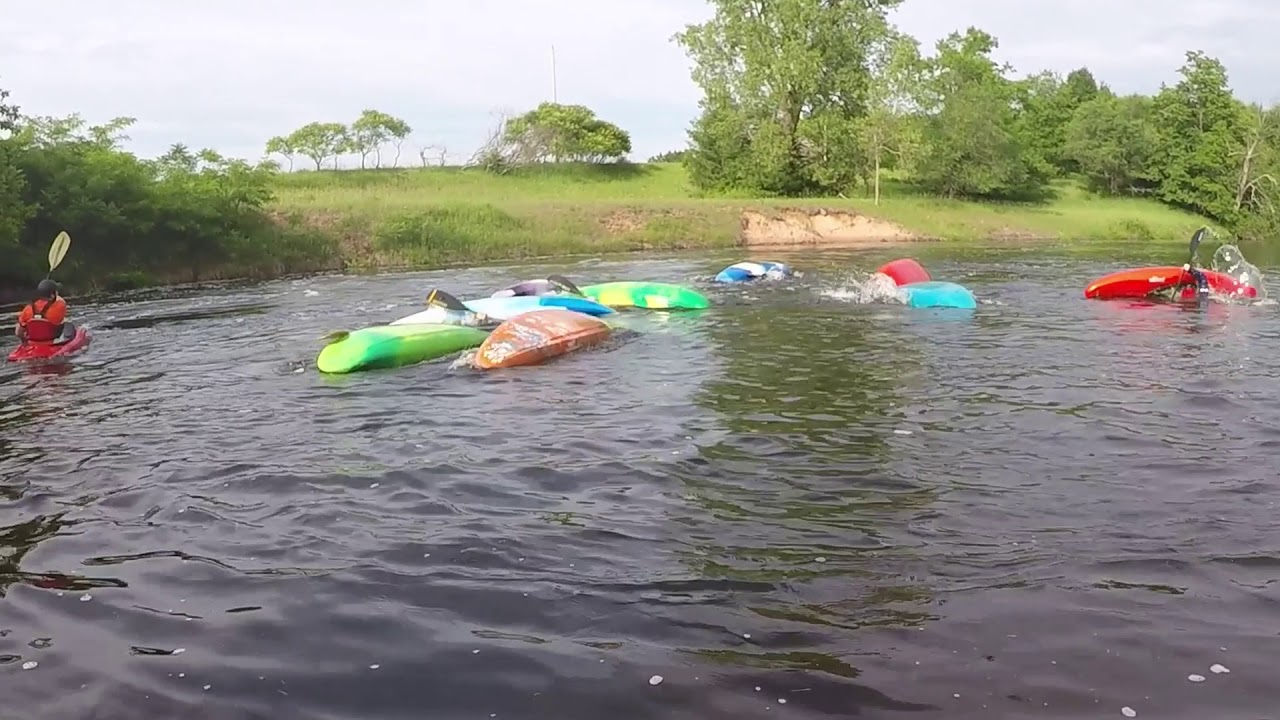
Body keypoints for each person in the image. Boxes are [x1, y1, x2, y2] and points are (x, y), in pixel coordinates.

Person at [15, 279, 68, 344]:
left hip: (33, 342)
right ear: (52, 295)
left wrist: (24, 341)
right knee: (68, 324)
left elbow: (18, 332)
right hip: (52, 341)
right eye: (56, 291)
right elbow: (60, 300)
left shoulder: (28, 308)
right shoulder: (60, 306)